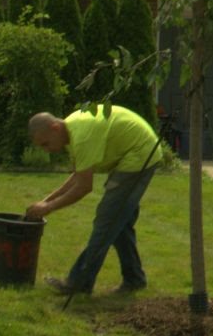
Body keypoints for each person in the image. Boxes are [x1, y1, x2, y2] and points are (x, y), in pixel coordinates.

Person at [25, 105, 160, 295]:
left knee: (106, 220)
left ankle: (79, 283)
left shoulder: (82, 136)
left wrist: (49, 207)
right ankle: (134, 279)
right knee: (118, 221)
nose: (47, 150)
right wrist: (46, 201)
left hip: (140, 154)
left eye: (46, 144)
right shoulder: (72, 129)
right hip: (135, 151)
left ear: (55, 127)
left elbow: (84, 187)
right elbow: (78, 176)